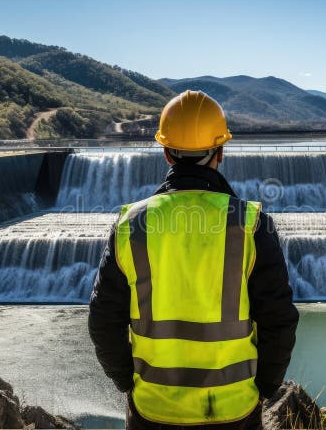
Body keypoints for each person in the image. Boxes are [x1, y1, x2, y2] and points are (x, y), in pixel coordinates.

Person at [89, 90, 298, 429]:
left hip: (152, 409)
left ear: (167, 153)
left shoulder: (130, 226)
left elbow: (103, 320)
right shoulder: (250, 224)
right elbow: (279, 320)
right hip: (234, 411)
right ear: (221, 151)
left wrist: (126, 383)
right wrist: (265, 389)